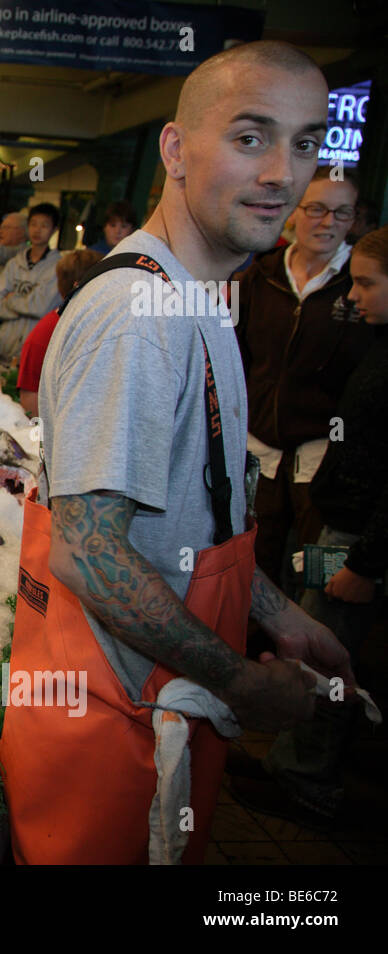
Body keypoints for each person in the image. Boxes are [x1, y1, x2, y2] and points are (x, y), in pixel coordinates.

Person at [0, 40, 356, 865]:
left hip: (159, 714)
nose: (281, 173)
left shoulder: (201, 296)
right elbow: (91, 556)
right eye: (250, 137)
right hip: (114, 730)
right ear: (174, 149)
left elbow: (193, 522)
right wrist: (240, 679)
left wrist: (280, 616)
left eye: (305, 143)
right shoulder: (138, 317)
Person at [229, 227, 388, 829]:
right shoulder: (372, 336)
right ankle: (286, 762)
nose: (356, 294)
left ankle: (308, 781)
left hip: (356, 539)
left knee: (334, 645)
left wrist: (368, 563)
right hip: (335, 522)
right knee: (312, 623)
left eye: (369, 283)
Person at [234, 168, 369, 597]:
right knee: (252, 565)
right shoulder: (259, 276)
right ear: (293, 213)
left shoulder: (362, 284)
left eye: (342, 212)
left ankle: (311, 661)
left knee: (317, 575)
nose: (328, 222)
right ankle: (252, 658)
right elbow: (237, 357)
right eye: (317, 209)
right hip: (259, 450)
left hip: (325, 456)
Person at [15, 248, 102, 416]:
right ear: (79, 287)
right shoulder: (46, 332)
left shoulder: (91, 324)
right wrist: (41, 439)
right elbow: (30, 399)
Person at [0, 202, 62, 358]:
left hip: (35, 346)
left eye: (44, 226)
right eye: (33, 224)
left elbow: (40, 308)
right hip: (4, 342)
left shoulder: (57, 266)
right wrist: (25, 308)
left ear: (54, 230)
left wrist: (10, 300)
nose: (37, 230)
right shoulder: (14, 263)